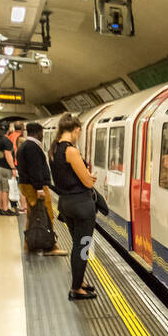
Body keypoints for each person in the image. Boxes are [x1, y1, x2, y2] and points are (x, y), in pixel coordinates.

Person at [49, 114, 99, 300]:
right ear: (76, 130)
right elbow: (87, 182)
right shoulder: (71, 151)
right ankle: (76, 289)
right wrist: (89, 178)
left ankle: (80, 282)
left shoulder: (53, 150)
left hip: (66, 204)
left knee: (78, 244)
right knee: (83, 247)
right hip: (82, 205)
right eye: (79, 132)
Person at [17, 122, 67, 256]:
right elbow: (35, 169)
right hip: (34, 186)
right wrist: (39, 188)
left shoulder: (25, 146)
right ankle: (49, 246)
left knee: (33, 215)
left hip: (27, 185)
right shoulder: (32, 147)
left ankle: (30, 244)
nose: (42, 135)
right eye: (42, 133)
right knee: (47, 214)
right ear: (39, 132)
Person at [0, 125, 17, 215]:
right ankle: (5, 209)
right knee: (5, 189)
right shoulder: (7, 141)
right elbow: (8, 155)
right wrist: (13, 167)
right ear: (8, 130)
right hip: (4, 168)